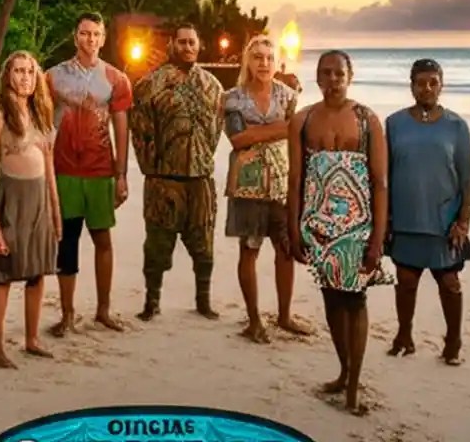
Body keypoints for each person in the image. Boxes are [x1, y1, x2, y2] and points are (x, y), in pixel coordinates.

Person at [287, 50, 392, 416]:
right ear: (317, 78)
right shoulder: (303, 120)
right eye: (325, 73)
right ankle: (344, 372)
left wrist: (378, 239)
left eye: (339, 73)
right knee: (331, 299)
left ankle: (354, 387)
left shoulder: (367, 120)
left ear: (350, 75)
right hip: (318, 225)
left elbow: (380, 182)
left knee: (356, 300)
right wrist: (293, 229)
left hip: (358, 226)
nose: (332, 79)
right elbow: (296, 179)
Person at [384, 58, 470, 365]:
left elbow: (468, 176)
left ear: (441, 85)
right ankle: (404, 336)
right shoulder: (394, 123)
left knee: (450, 284)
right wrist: (385, 218)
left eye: (433, 82)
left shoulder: (456, 126)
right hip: (406, 216)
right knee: (406, 281)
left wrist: (463, 220)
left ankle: (453, 343)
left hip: (443, 220)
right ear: (411, 86)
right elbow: (384, 173)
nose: (426, 88)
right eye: (420, 82)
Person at [130, 23, 226, 320]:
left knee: (204, 246)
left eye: (192, 42)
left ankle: (203, 300)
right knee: (157, 245)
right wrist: (155, 169)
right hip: (163, 179)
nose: (187, 47)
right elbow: (141, 132)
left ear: (199, 45)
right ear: (171, 44)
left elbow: (216, 129)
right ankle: (151, 302)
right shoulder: (150, 84)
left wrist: (199, 158)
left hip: (200, 180)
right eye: (181, 42)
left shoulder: (213, 86)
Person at [45, 12, 132, 335]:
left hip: (100, 171)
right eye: (85, 34)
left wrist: (121, 174)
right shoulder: (52, 78)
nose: (90, 40)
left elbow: (121, 129)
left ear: (104, 39)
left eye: (96, 34)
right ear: (75, 36)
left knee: (102, 239)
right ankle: (67, 314)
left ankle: (103, 310)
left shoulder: (116, 79)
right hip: (64, 169)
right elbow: (41, 121)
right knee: (67, 242)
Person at [222, 35, 312, 342]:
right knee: (249, 249)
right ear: (248, 61)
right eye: (257, 57)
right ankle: (254, 320)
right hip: (246, 184)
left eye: (269, 58)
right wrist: (280, 129)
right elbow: (236, 139)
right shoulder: (233, 97)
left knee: (285, 249)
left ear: (276, 63)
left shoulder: (287, 95)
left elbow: (296, 135)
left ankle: (284, 316)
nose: (264, 63)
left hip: (281, 183)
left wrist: (257, 132)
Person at [0, 51, 63, 369]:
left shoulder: (42, 112)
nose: (25, 77)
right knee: (2, 275)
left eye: (30, 71)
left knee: (37, 272)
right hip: (11, 199)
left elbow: (50, 167)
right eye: (18, 71)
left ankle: (31, 339)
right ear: (7, 76)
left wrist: (56, 213)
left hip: (40, 198)